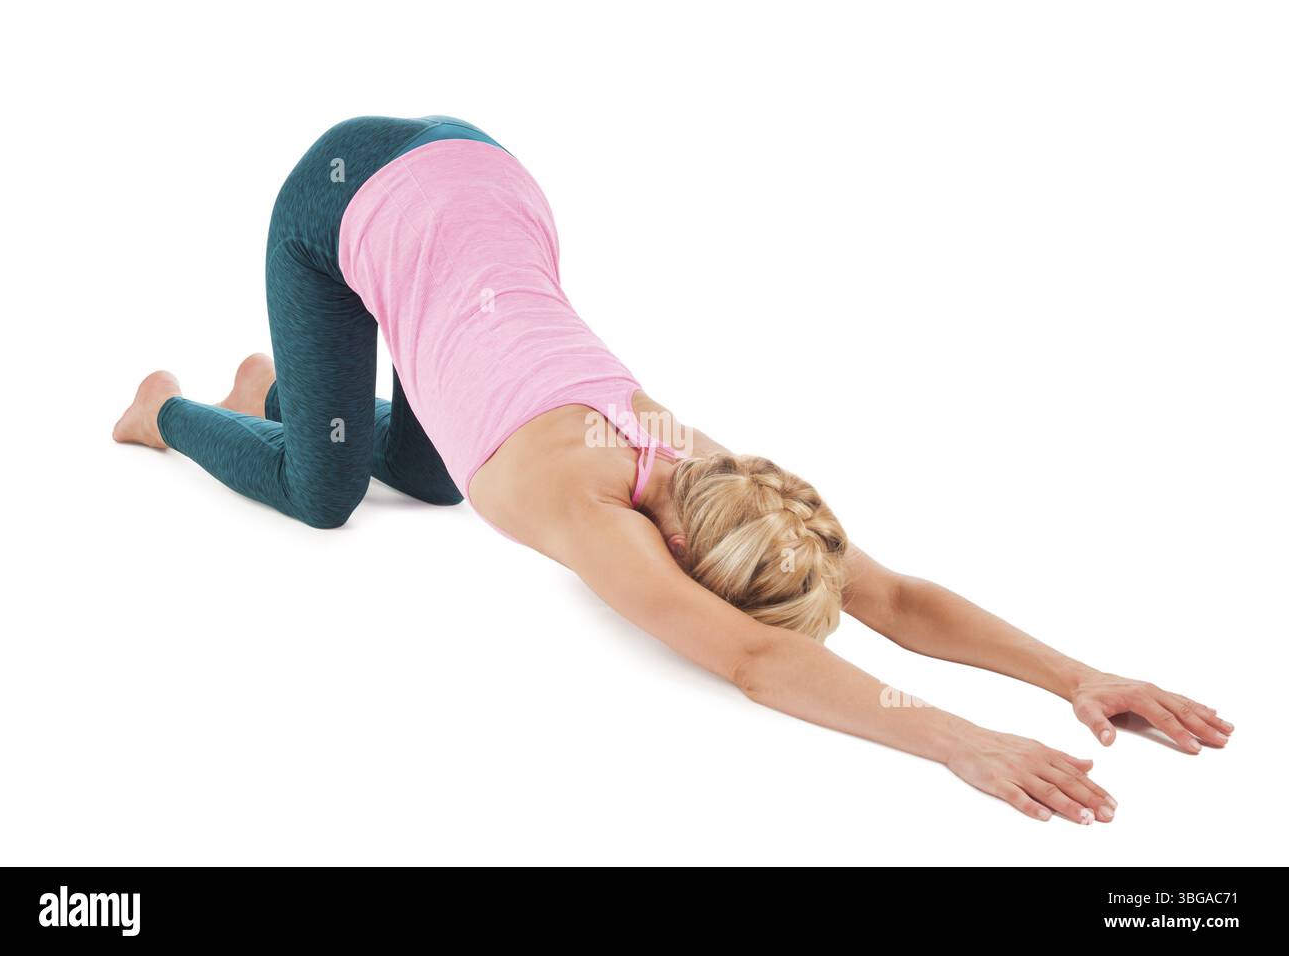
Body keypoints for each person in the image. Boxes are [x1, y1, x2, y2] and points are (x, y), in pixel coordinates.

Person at [114, 115, 1233, 823]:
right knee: (325, 497)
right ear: (686, 558)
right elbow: (750, 659)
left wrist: (1077, 674)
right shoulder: (588, 505)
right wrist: (961, 740)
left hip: (482, 176)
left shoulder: (716, 473)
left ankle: (290, 395)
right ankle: (167, 411)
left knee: (446, 471)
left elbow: (889, 595)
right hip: (339, 190)